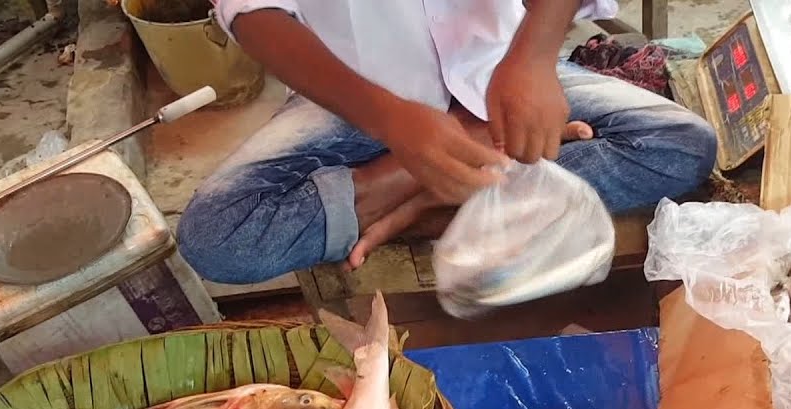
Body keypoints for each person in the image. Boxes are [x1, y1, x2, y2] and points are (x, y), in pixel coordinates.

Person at [176, 0, 719, 285]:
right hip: (353, 99)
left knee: (679, 144)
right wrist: (393, 123)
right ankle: (471, 163)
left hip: (503, 74)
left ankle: (428, 189)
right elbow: (252, 11)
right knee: (219, 236)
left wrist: (533, 58)